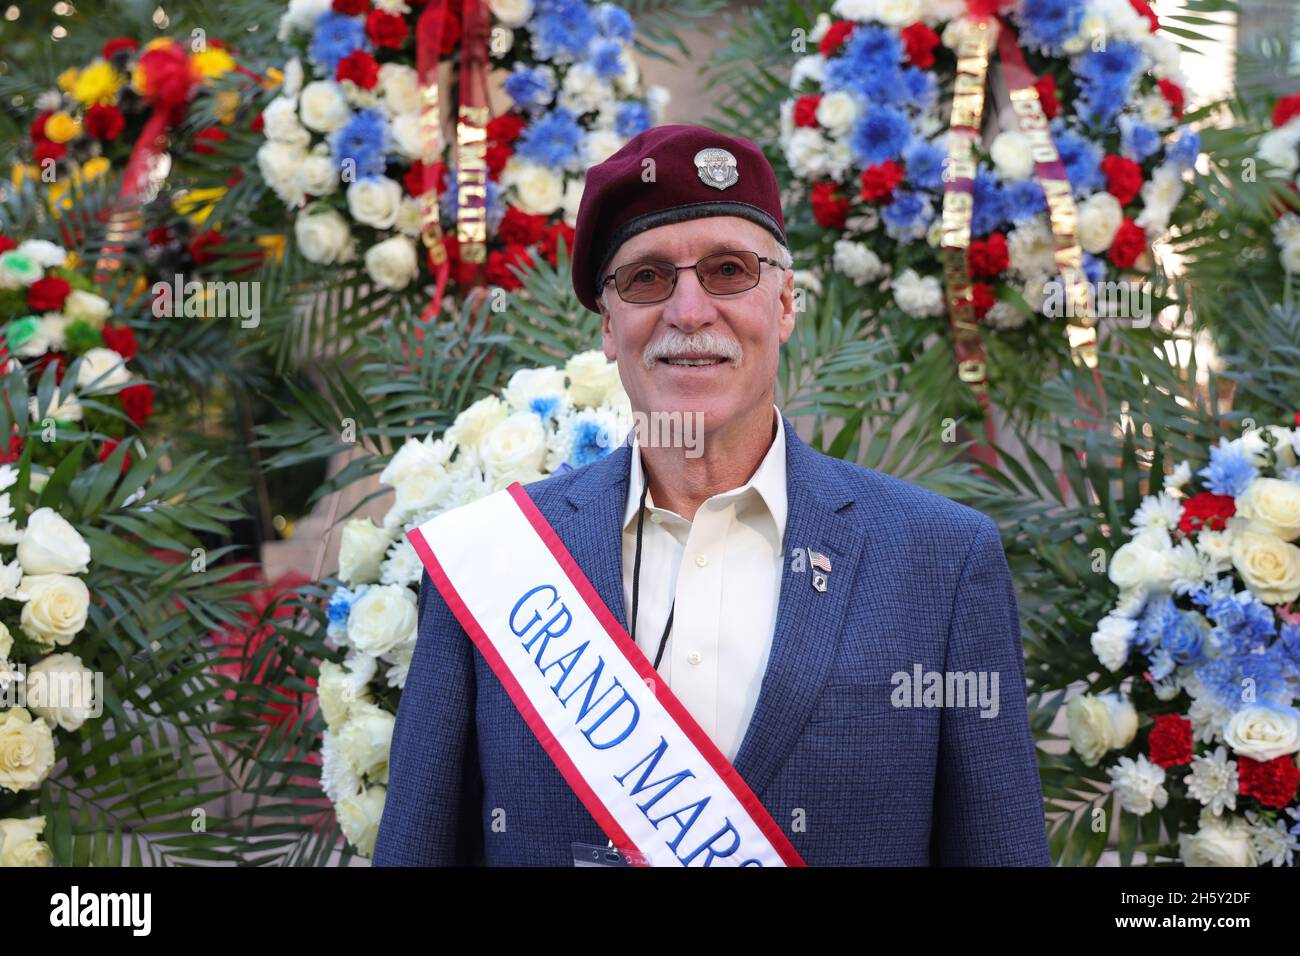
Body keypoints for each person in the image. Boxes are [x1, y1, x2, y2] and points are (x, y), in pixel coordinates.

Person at [372, 124, 1049, 866]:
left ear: (785, 304)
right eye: (647, 279)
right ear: (608, 324)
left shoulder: (940, 561)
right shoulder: (493, 559)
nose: (689, 312)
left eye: (729, 271)